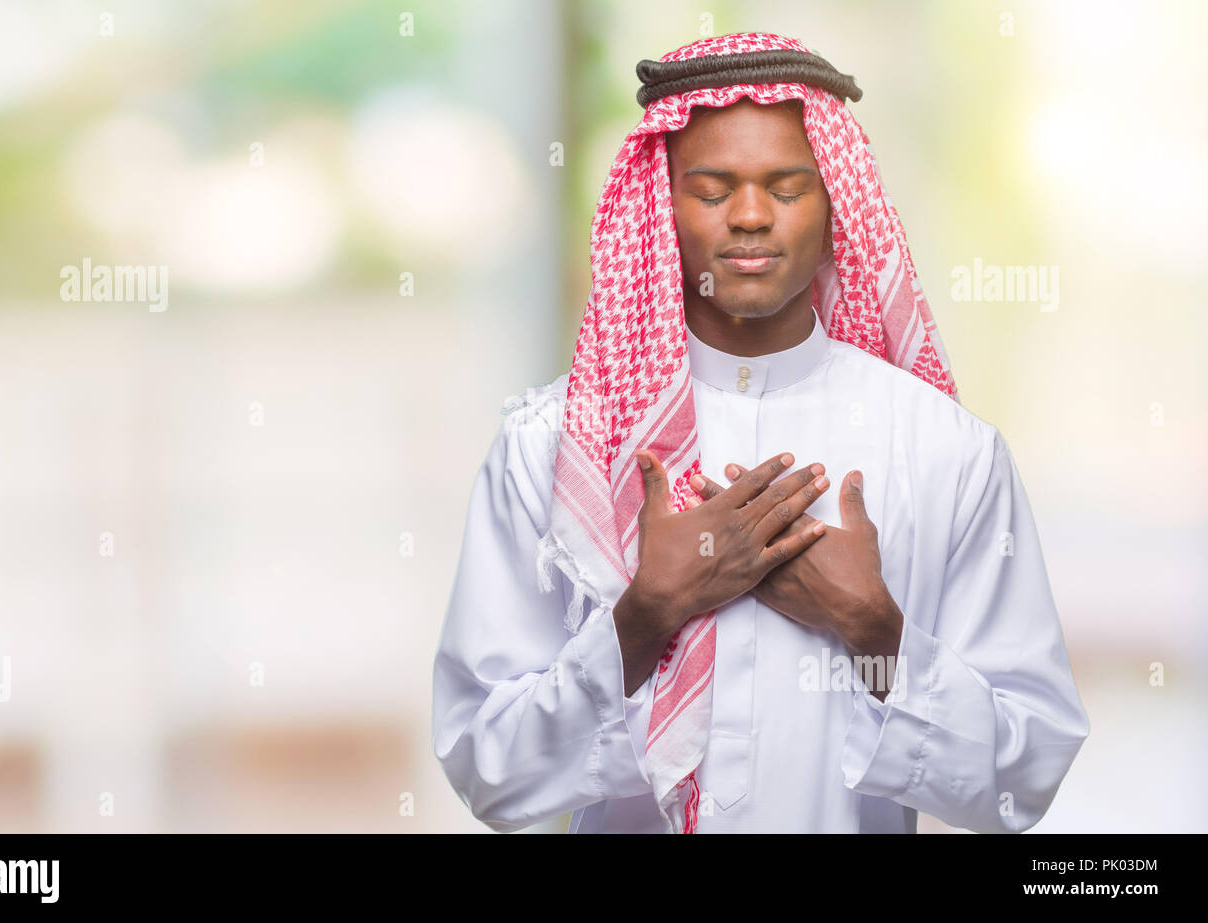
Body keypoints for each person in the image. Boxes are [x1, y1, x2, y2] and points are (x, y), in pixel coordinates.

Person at [431, 31, 1089, 834]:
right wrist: (644, 617)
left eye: (786, 188)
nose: (749, 216)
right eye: (711, 190)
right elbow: (486, 767)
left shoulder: (946, 450)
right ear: (661, 206)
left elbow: (1025, 778)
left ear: (834, 204)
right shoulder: (549, 446)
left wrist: (875, 628)